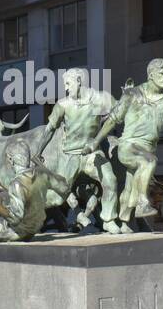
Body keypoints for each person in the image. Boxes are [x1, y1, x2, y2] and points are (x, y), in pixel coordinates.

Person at [86, 58, 163, 233]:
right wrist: (96, 141)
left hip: (147, 148)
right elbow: (113, 120)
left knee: (130, 187)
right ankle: (142, 202)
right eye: (162, 74)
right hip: (128, 146)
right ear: (151, 75)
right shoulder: (133, 94)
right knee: (149, 162)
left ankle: (124, 221)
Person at [35, 69, 119, 231]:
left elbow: (119, 112)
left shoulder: (101, 98)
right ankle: (31, 216)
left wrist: (103, 129)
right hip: (70, 156)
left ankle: (108, 220)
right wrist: (39, 151)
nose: (66, 88)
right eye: (65, 85)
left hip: (93, 154)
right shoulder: (63, 104)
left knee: (110, 180)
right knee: (58, 197)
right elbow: (49, 129)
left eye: (68, 83)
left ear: (79, 81)